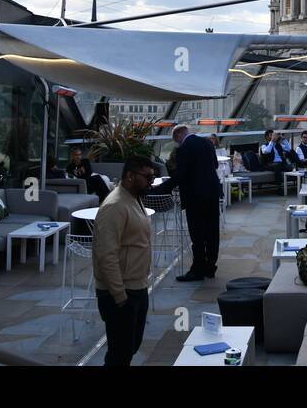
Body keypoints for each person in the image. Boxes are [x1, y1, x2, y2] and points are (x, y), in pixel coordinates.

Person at [92, 159, 157, 366]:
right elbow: (106, 255)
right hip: (120, 292)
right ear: (130, 176)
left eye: (153, 177)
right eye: (148, 177)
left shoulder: (134, 198)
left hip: (136, 286)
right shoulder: (114, 206)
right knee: (119, 353)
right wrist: (120, 296)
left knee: (130, 347)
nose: (151, 182)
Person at [161, 124, 221, 281]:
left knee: (198, 234)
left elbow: (180, 175)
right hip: (212, 194)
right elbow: (214, 165)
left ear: (179, 135)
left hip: (195, 198)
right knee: (212, 232)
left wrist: (160, 189)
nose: (177, 143)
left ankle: (198, 270)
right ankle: (210, 267)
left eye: (176, 140)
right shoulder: (207, 143)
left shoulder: (184, 149)